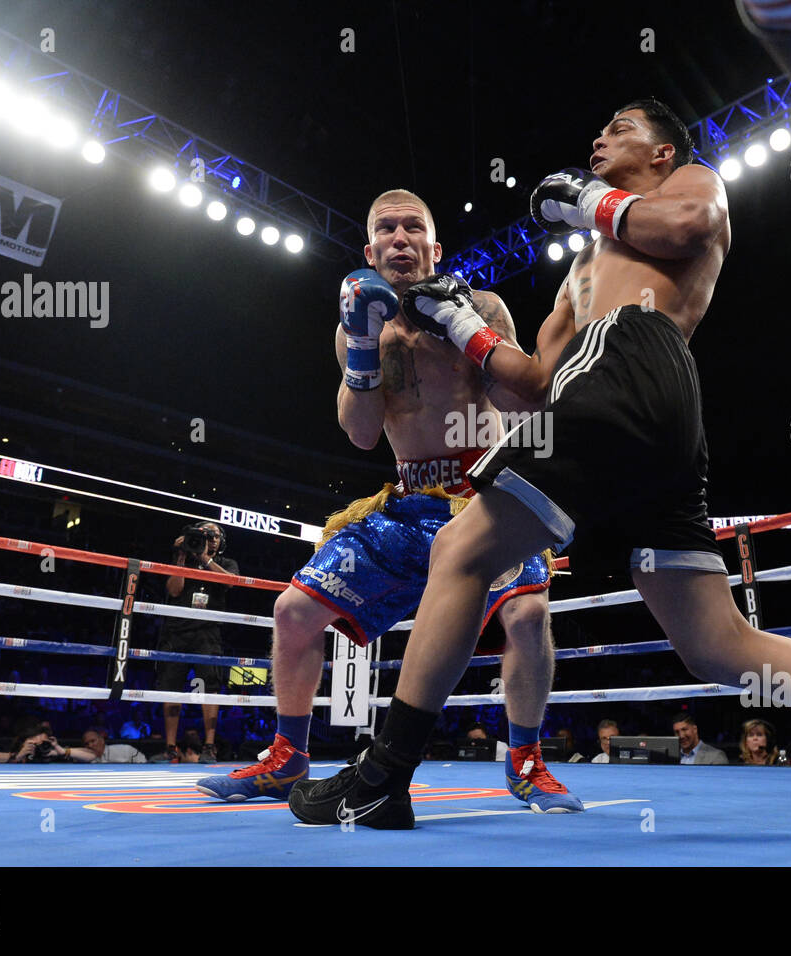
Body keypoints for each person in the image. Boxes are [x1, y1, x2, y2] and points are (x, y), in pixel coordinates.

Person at [287, 97, 791, 830]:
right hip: (643, 417)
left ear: (663, 151)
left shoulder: (690, 184)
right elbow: (538, 381)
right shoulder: (583, 268)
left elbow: (686, 229)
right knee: (717, 644)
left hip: (632, 360)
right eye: (599, 129)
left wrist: (584, 198)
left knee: (459, 549)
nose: (599, 137)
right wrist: (464, 325)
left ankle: (384, 776)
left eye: (619, 129)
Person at [196, 189, 582, 813]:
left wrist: (469, 331)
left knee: (528, 618)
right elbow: (360, 430)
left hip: (484, 499)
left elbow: (525, 402)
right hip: (406, 503)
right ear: (370, 249)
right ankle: (288, 756)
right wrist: (364, 345)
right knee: (293, 612)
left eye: (413, 228)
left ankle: (526, 762)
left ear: (435, 247)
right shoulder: (356, 325)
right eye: (386, 229)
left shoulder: (483, 305)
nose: (400, 238)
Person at [157, 521, 238, 764]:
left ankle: (209, 746)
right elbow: (173, 591)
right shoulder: (183, 559)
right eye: (204, 534)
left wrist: (204, 559)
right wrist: (182, 557)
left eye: (213, 535)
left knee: (209, 688)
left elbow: (230, 582)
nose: (209, 538)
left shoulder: (225, 564)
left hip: (207, 632)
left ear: (220, 541)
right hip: (176, 631)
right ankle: (171, 748)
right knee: (171, 688)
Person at [75, 726, 147, 763]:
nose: (90, 746)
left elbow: (144, 763)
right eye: (86, 744)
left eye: (93, 741)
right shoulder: (83, 759)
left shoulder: (125, 750)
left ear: (102, 740)